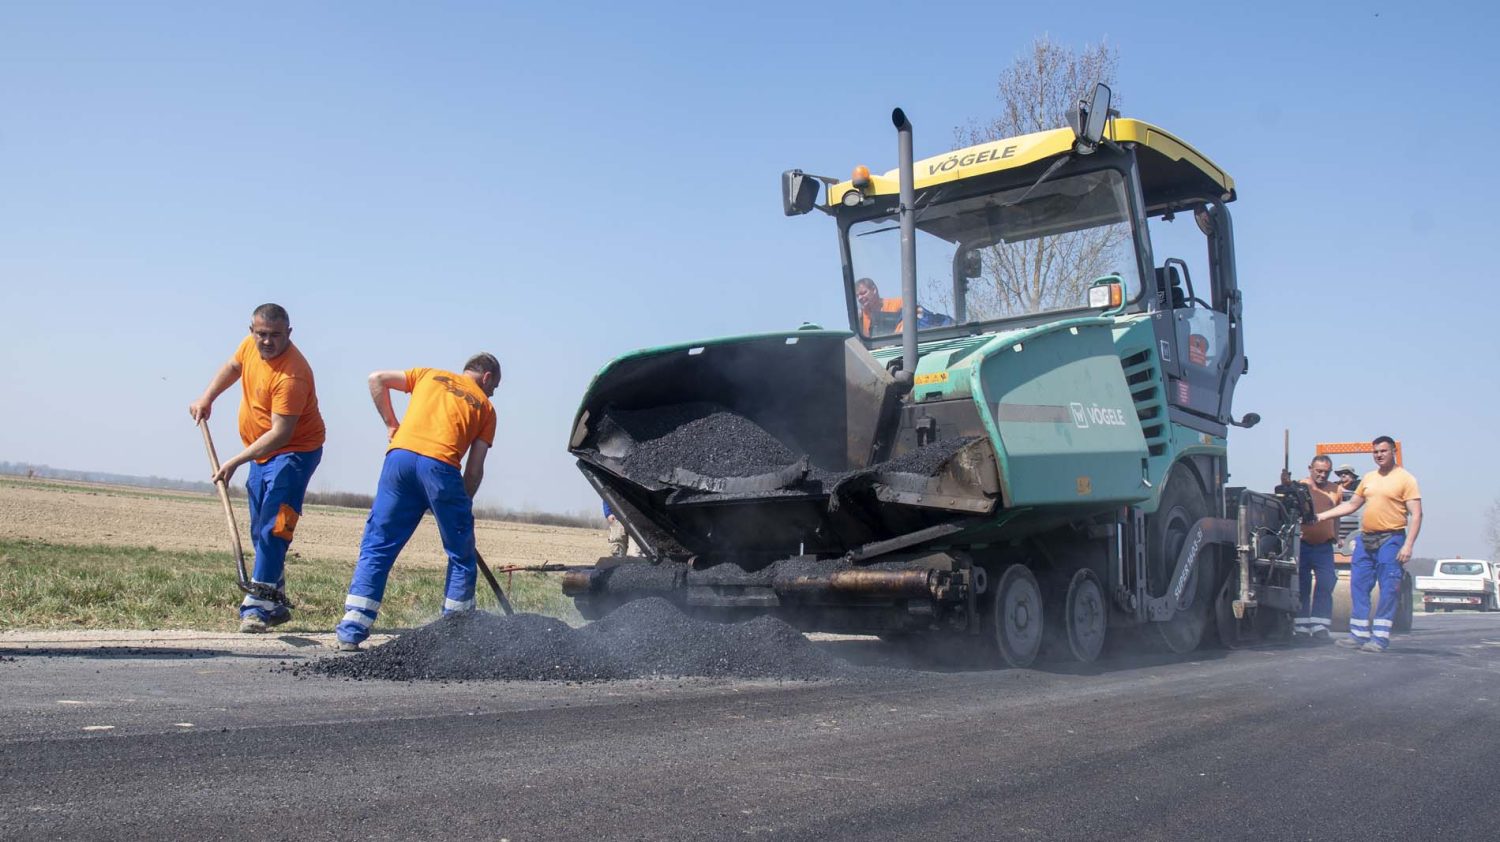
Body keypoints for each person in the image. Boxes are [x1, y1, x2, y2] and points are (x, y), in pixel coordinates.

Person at [334, 353, 501, 651]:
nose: (491, 393)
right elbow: (474, 469)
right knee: (460, 554)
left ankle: (352, 627)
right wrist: (459, 509)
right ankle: (456, 634)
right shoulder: (486, 408)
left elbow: (377, 379)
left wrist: (391, 423)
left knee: (379, 544)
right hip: (441, 466)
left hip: (399, 459)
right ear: (487, 377)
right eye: (494, 387)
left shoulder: (428, 374)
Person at [188, 303, 326, 632]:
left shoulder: (292, 374)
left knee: (275, 529)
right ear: (251, 331)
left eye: (275, 336)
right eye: (261, 334)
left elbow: (281, 433)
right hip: (261, 454)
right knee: (258, 531)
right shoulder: (249, 347)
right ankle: (274, 598)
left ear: (288, 334)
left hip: (294, 454)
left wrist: (235, 460)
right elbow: (233, 367)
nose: (267, 342)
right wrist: (208, 397)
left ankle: (255, 608)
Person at [1313, 436, 1422, 653]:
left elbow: (1417, 515)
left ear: (1393, 452)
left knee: (1389, 588)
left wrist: (1408, 545)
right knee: (1359, 586)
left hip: (1391, 539)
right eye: (1375, 452)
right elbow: (1352, 505)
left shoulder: (1406, 479)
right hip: (1366, 538)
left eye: (1383, 451)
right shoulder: (1369, 478)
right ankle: (1359, 635)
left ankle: (1380, 638)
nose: (1379, 455)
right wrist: (1322, 516)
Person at [1281, 456, 1341, 641]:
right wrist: (1285, 483)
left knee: (1326, 582)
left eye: (1326, 472)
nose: (1322, 475)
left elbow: (1337, 515)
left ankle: (1320, 625)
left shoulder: (1335, 490)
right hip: (1304, 544)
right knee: (1303, 585)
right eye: (1319, 471)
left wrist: (1337, 536)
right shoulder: (1299, 486)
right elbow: (1286, 502)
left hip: (1324, 546)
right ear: (1310, 468)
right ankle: (1301, 626)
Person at [854, 277, 954, 336]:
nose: (860, 298)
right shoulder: (861, 317)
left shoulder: (899, 303)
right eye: (857, 296)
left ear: (874, 290)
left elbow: (920, 317)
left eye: (863, 293)